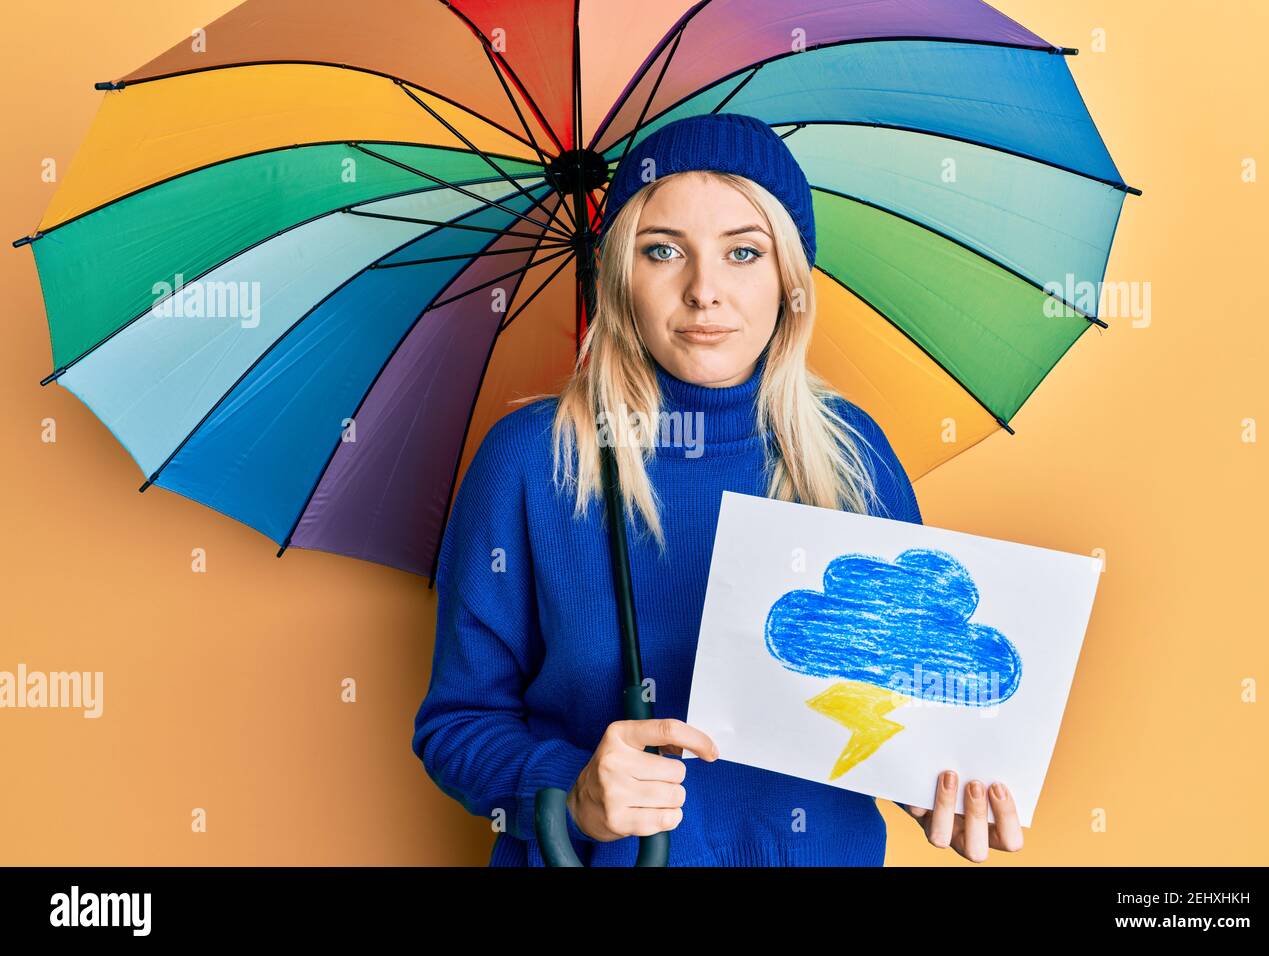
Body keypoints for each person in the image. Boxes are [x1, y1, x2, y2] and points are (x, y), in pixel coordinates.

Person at [412, 112, 1024, 866]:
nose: (705, 291)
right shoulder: (531, 460)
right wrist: (570, 788)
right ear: (617, 275)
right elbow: (457, 724)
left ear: (788, 278)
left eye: (743, 253)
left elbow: (895, 703)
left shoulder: (852, 455)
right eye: (663, 251)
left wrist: (937, 788)